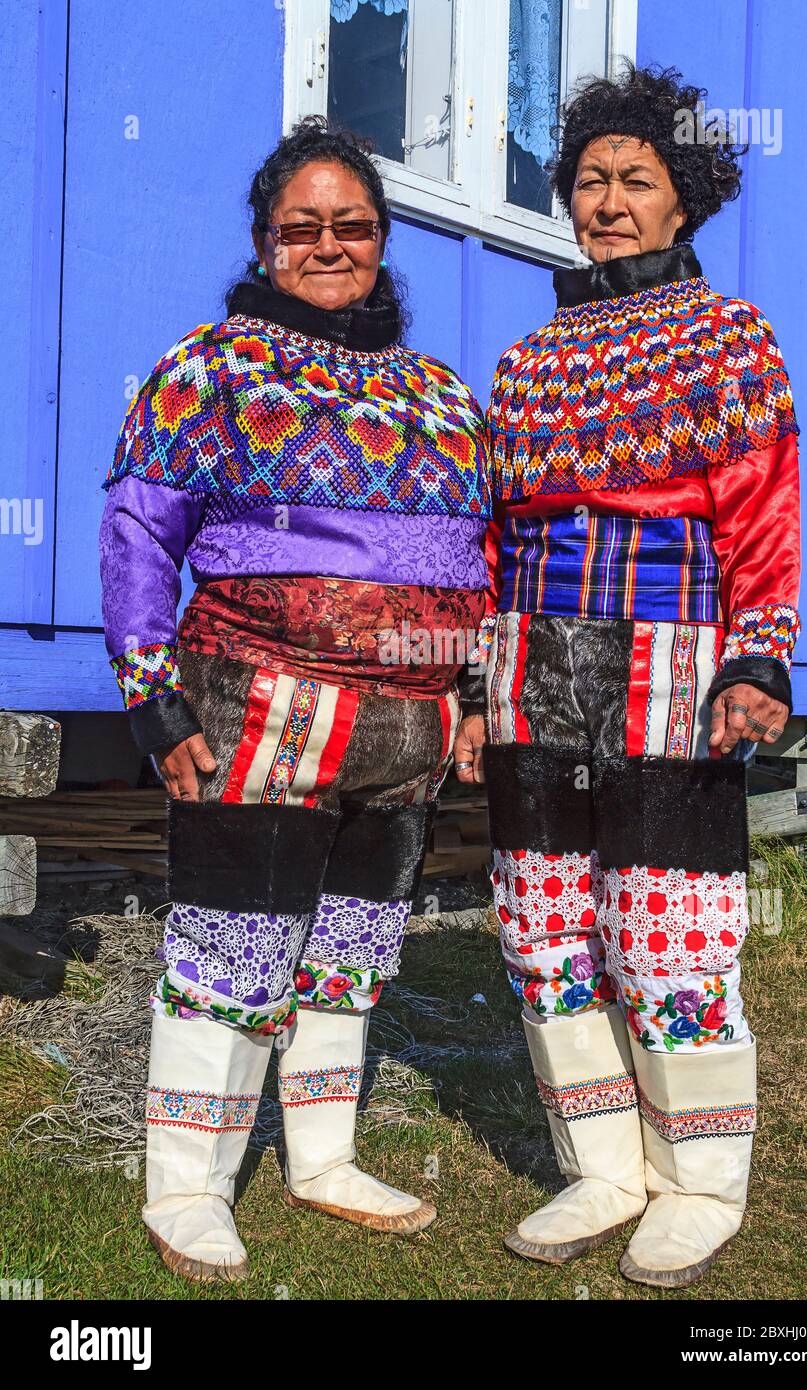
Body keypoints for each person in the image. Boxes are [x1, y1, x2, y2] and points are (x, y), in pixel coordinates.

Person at [100, 117, 491, 1282]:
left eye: (352, 225)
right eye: (301, 227)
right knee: (235, 946)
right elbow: (136, 530)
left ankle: (321, 1156)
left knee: (351, 953)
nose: (329, 244)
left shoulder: (439, 393)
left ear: (382, 235)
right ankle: (189, 1185)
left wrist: (467, 695)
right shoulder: (205, 368)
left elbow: (477, 558)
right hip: (256, 710)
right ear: (265, 240)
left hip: (404, 735)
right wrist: (150, 697)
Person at [453, 63, 800, 1287]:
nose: (607, 200)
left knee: (666, 929)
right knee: (544, 924)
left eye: (634, 181)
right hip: (529, 665)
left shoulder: (729, 337)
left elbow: (758, 511)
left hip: (670, 664)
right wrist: (467, 685)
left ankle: (697, 1180)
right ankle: (598, 1163)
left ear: (682, 201)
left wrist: (760, 657)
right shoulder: (525, 360)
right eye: (590, 179)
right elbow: (493, 534)